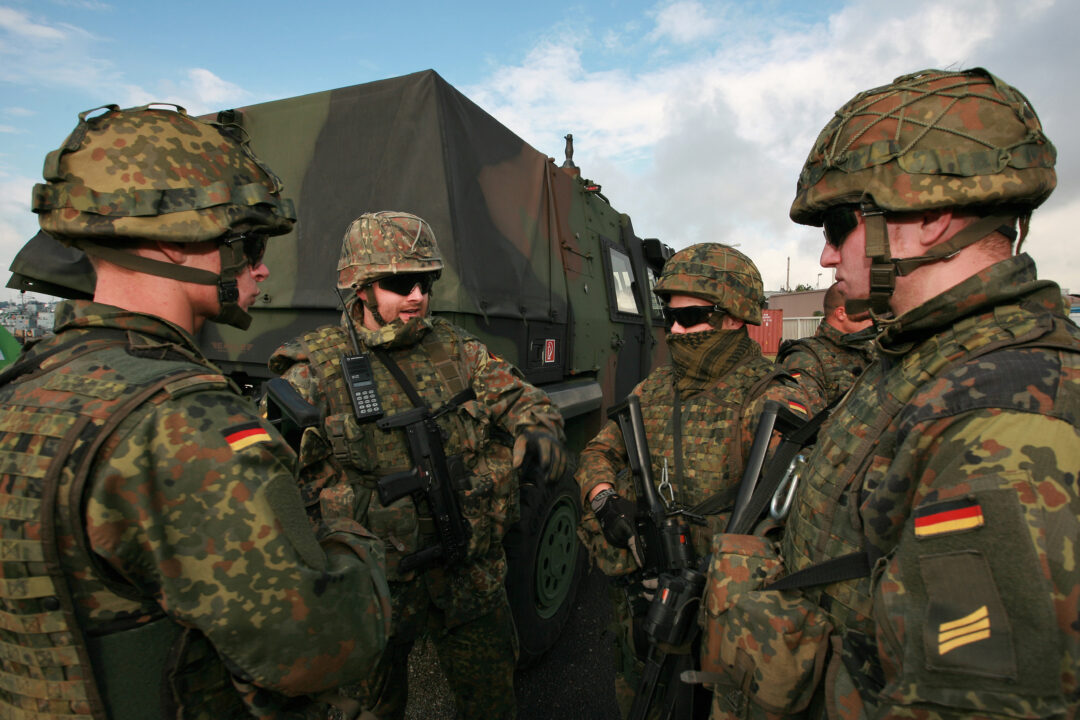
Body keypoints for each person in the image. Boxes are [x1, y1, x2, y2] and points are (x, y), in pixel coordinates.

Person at [699, 68, 1079, 720]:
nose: (824, 258)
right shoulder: (921, 362)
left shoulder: (1003, 426)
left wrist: (785, 659)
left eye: (839, 224)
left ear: (931, 216)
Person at [0, 104, 391, 719]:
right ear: (175, 245)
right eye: (247, 243)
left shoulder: (28, 381)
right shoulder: (183, 419)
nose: (261, 266)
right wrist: (346, 531)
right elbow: (322, 645)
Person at [268, 210, 567, 720]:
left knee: (492, 700)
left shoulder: (456, 349)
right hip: (376, 588)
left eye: (425, 282)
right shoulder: (314, 368)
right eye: (400, 283)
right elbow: (273, 483)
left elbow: (525, 401)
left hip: (467, 574)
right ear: (361, 288)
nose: (417, 296)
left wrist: (537, 435)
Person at [575, 242, 814, 718]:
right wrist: (605, 500)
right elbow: (599, 450)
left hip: (725, 611)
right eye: (672, 318)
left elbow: (798, 518)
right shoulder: (655, 388)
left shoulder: (769, 398)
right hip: (647, 593)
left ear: (734, 316)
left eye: (693, 317)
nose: (678, 331)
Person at [776, 282, 875, 407]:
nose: (873, 317)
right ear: (841, 313)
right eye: (867, 310)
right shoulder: (805, 358)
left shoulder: (871, 351)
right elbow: (804, 421)